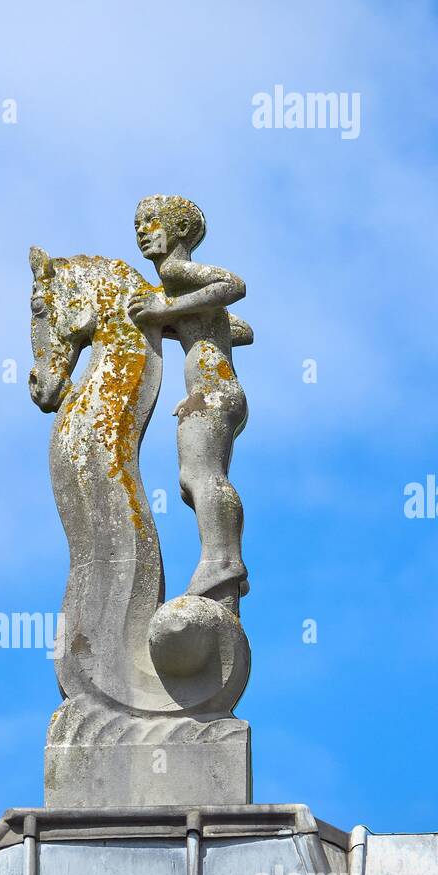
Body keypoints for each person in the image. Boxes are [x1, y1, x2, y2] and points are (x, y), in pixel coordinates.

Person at [128, 195, 251, 605]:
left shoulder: (176, 271)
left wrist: (167, 309)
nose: (142, 231)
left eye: (151, 221)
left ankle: (223, 562)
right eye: (137, 225)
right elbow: (242, 330)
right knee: (190, 482)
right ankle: (223, 560)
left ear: (180, 230)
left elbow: (233, 286)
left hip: (211, 390)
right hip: (215, 390)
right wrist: (181, 319)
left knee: (202, 476)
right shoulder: (175, 284)